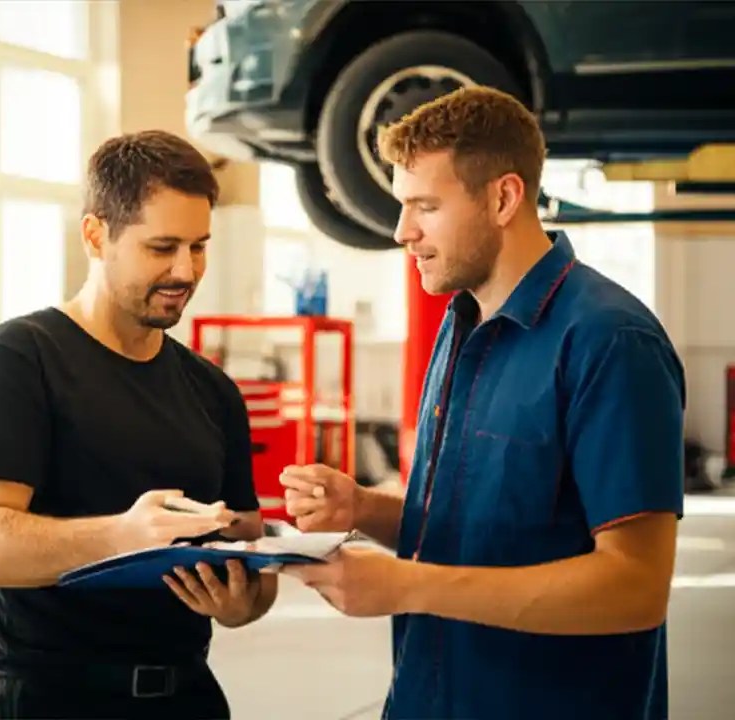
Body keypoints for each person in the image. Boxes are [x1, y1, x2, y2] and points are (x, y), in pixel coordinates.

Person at [280, 86, 685, 720]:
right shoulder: (461, 323)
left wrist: (410, 585)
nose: (401, 231)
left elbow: (636, 587)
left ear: (503, 197)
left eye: (425, 206)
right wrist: (363, 508)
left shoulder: (610, 343)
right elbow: (472, 527)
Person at [0, 129, 278, 720]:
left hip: (186, 696)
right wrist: (124, 534)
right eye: (162, 247)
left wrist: (241, 602)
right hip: (52, 698)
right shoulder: (21, 359)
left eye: (199, 246)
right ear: (96, 235)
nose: (186, 270)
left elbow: (248, 552)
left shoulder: (213, 390)